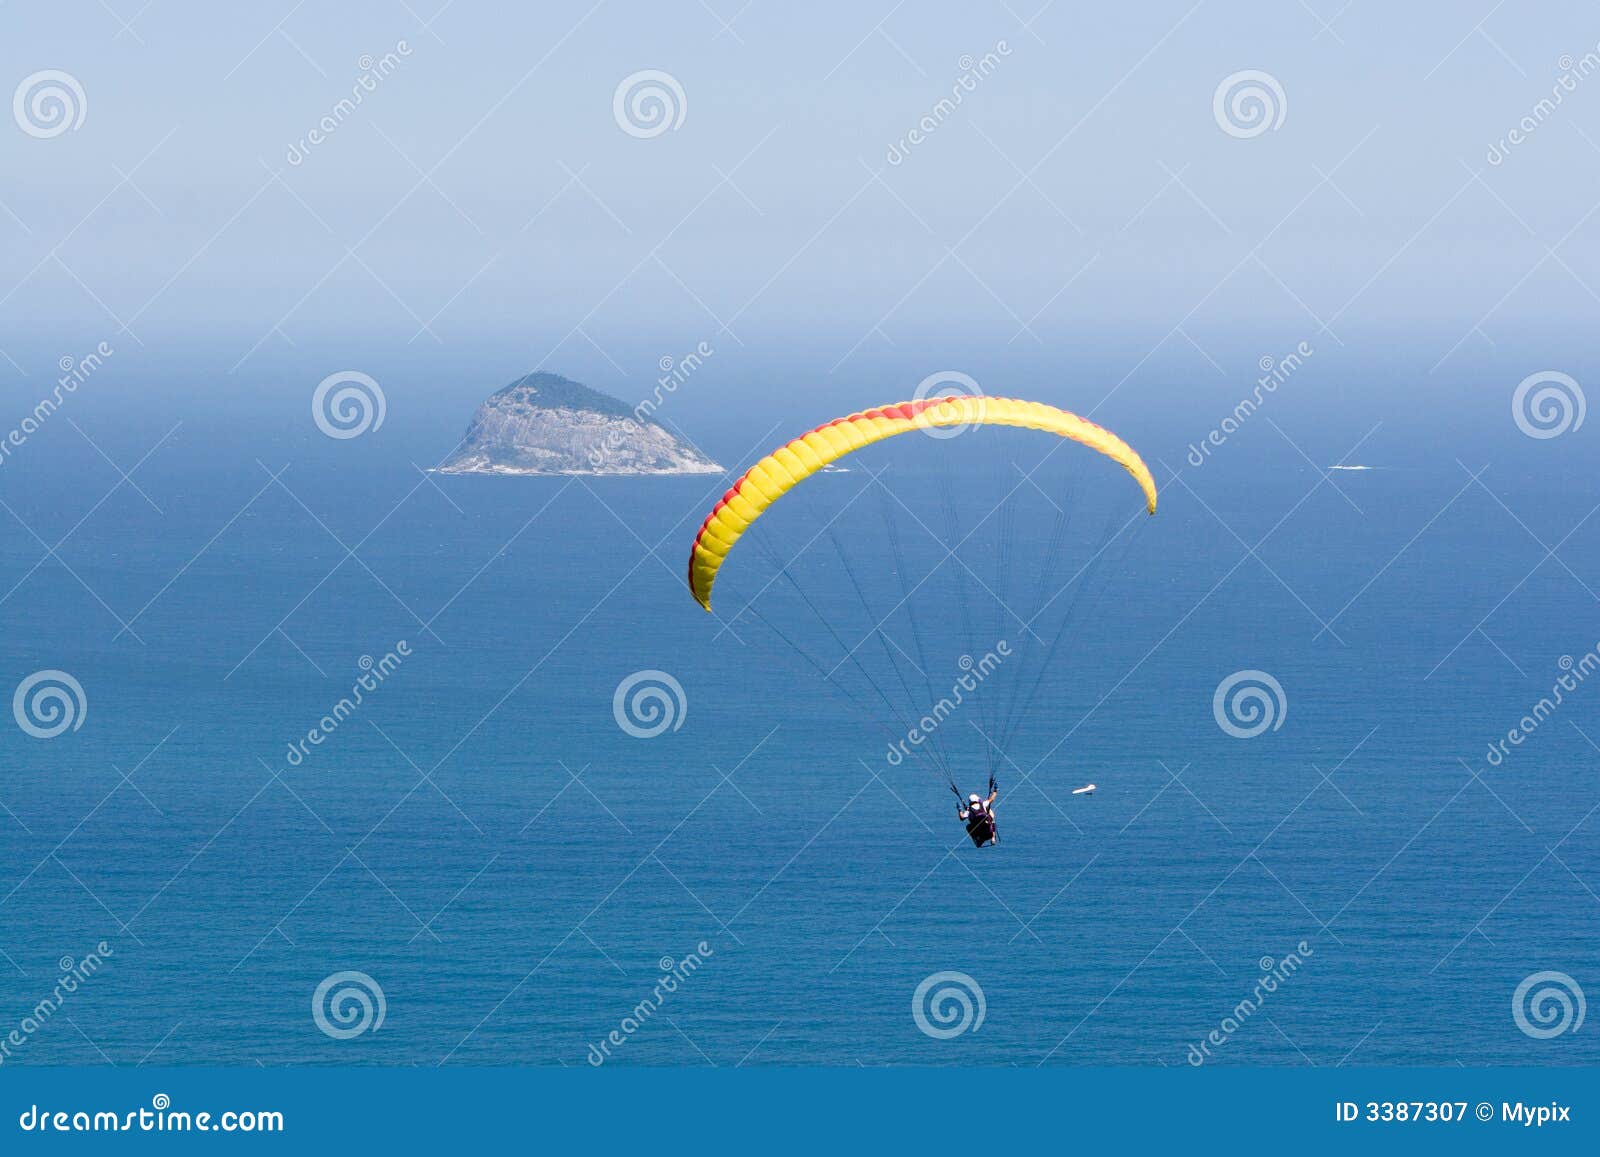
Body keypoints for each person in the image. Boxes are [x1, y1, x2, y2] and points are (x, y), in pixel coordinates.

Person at [956, 776, 998, 847]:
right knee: (990, 815)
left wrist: (959, 810)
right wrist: (995, 790)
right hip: (988, 829)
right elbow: (992, 798)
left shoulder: (968, 811)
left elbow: (962, 818)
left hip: (978, 831)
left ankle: (977, 840)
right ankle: (993, 838)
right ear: (977, 800)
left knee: (968, 826)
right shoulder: (983, 804)